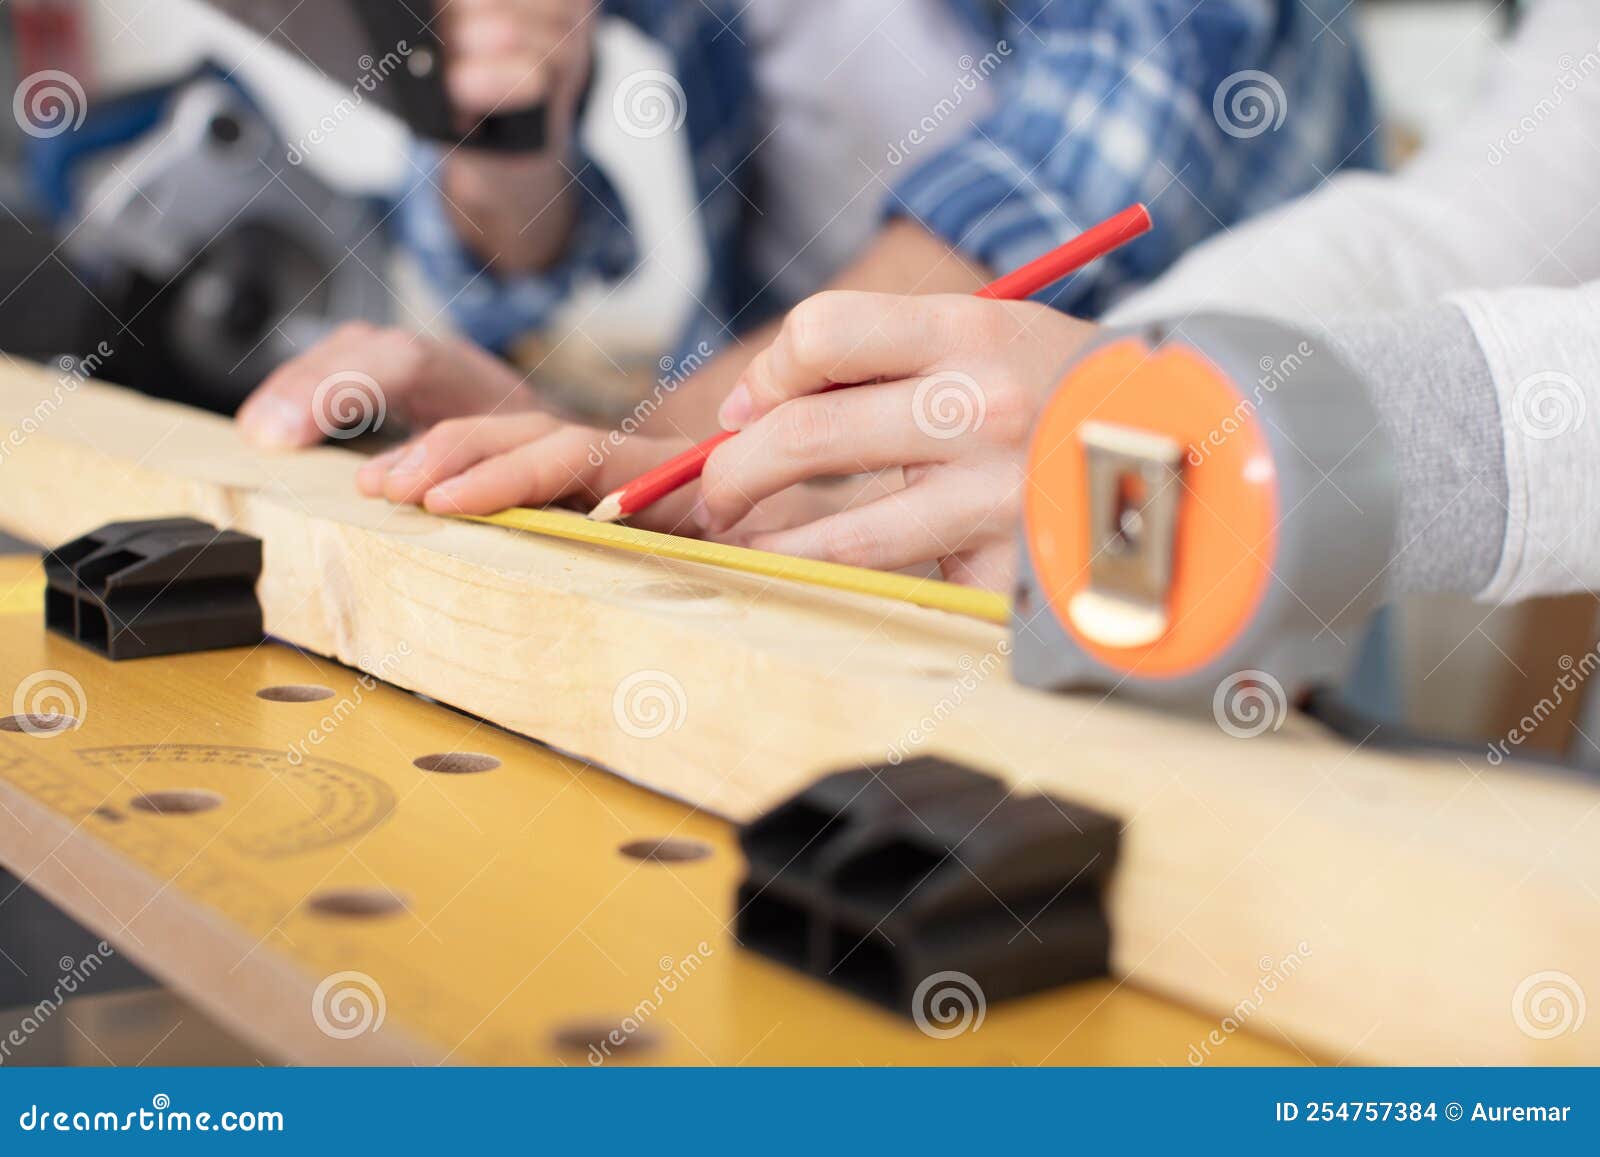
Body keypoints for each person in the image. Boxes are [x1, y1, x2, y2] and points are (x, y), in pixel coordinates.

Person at [236, 0, 1379, 495]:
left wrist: (651, 447)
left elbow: (1061, 186)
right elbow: (515, 266)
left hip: (1215, 449)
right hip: (791, 455)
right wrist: (499, 127)